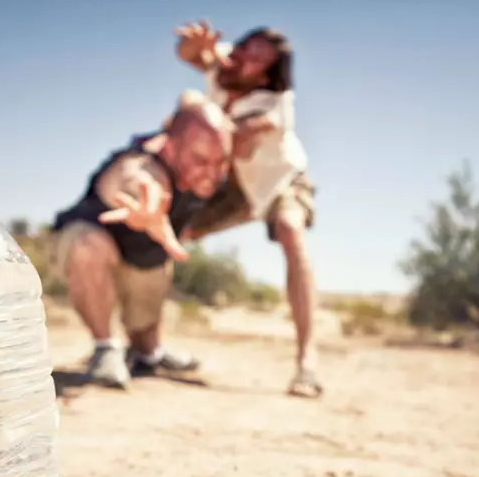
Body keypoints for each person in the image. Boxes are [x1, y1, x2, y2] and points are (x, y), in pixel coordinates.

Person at [174, 22, 323, 398]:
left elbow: (240, 144)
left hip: (282, 181)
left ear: (270, 71)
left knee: (291, 232)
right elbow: (189, 54)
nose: (250, 58)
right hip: (236, 187)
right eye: (249, 48)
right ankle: (143, 346)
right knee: (173, 232)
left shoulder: (277, 102)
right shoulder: (223, 70)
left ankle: (307, 362)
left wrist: (198, 117)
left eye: (261, 58)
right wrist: (194, 48)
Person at [48, 90, 234, 388]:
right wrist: (146, 207)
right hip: (90, 250)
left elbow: (191, 98)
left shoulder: (210, 164)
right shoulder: (142, 162)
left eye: (220, 162)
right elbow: (130, 178)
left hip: (143, 259)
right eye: (200, 160)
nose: (212, 174)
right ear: (169, 147)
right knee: (88, 246)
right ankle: (105, 348)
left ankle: (150, 352)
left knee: (145, 343)